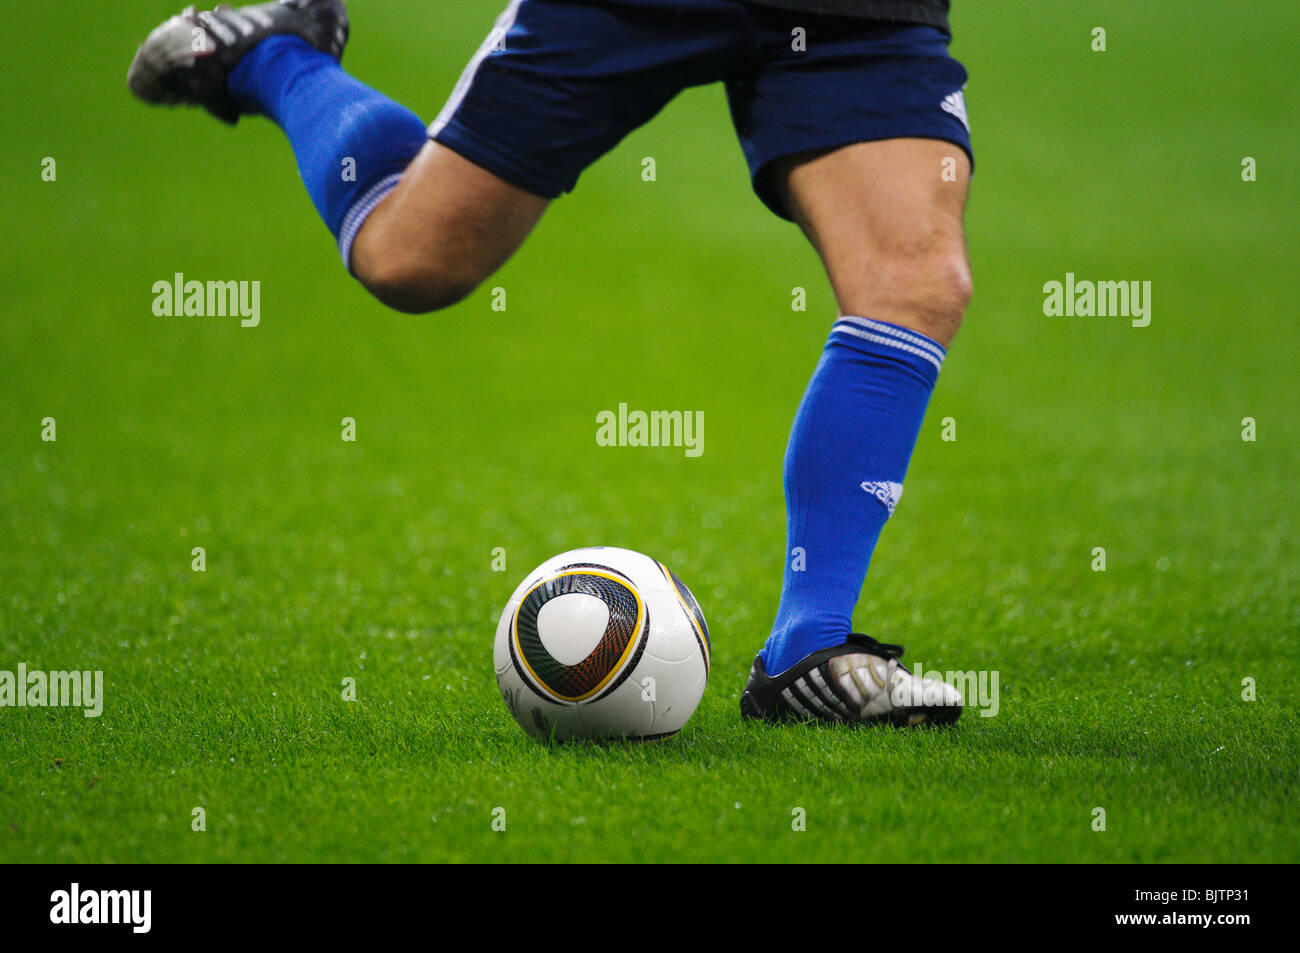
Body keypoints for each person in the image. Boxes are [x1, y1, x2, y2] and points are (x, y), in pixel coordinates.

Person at [128, 0, 970, 725]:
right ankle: (278, 53)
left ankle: (807, 650)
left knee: (916, 284)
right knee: (410, 259)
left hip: (853, 13)